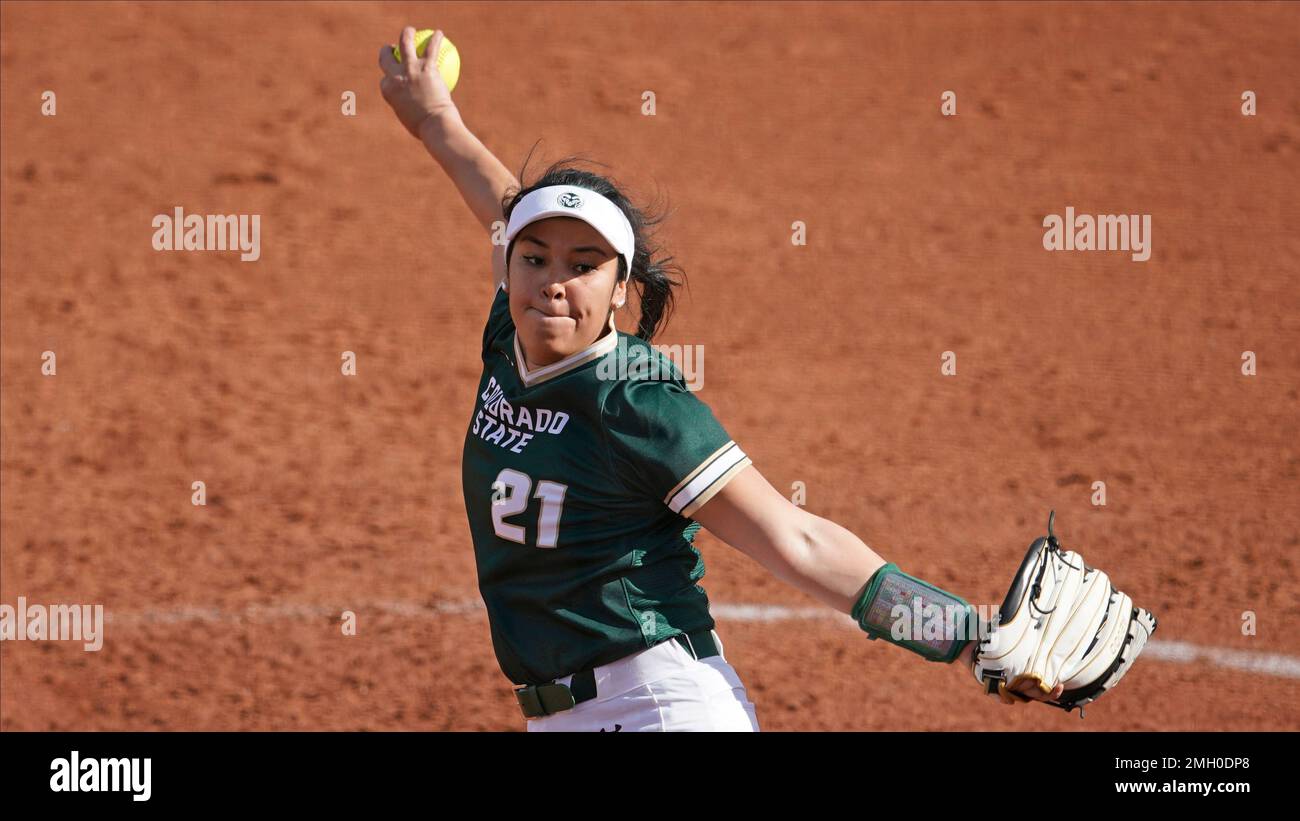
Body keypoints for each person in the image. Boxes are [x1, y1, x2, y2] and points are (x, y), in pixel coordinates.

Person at [378, 27, 1079, 731]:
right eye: (534, 259)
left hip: (660, 709)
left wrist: (960, 633)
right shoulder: (511, 333)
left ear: (621, 287)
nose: (554, 283)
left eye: (584, 265)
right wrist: (434, 119)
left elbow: (794, 539)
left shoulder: (634, 402)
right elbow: (507, 203)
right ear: (508, 264)